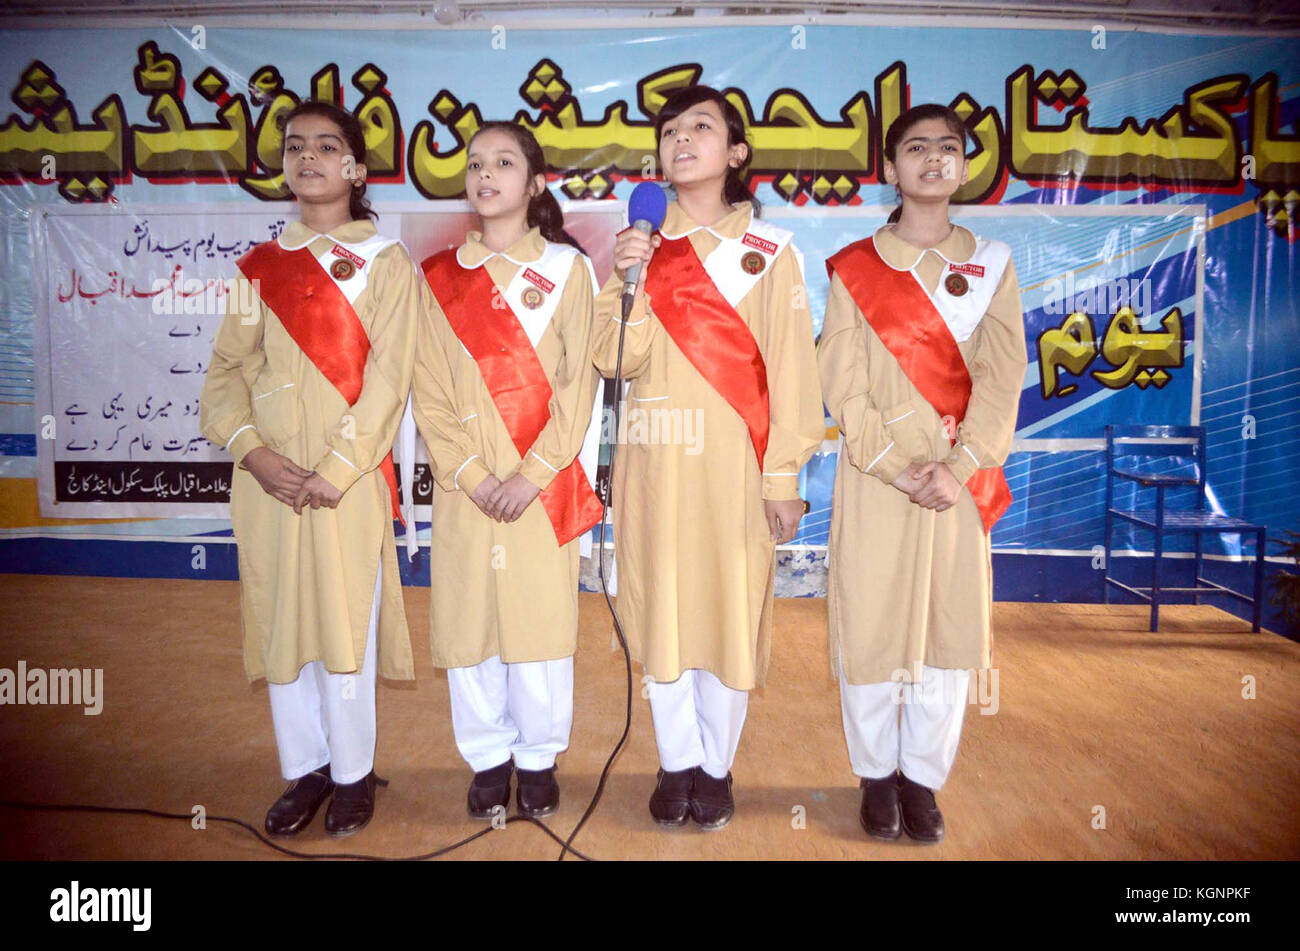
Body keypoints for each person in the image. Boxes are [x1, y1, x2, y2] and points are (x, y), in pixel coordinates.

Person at [592, 86, 824, 830]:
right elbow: (612, 358)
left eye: (701, 127)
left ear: (737, 153)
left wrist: (784, 477)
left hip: (737, 468)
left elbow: (794, 373)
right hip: (655, 466)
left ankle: (715, 766)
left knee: (727, 610)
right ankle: (674, 758)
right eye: (669, 130)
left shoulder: (770, 254)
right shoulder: (639, 249)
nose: (681, 139)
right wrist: (629, 276)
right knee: (661, 607)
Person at [199, 101, 420, 837]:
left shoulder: (387, 265)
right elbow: (225, 375)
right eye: (296, 147)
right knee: (282, 619)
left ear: (357, 169)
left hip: (344, 484)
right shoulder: (256, 267)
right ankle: (308, 768)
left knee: (344, 622)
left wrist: (337, 466)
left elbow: (390, 379)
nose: (309, 158)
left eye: (329, 147)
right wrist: (253, 454)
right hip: (268, 482)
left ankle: (354, 773)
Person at [818, 103, 1026, 843]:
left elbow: (1004, 378)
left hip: (958, 488)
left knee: (946, 630)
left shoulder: (992, 263)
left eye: (948, 148)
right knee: (870, 625)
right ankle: (876, 776)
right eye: (915, 148)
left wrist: (961, 463)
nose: (932, 159)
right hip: (879, 482)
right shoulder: (855, 267)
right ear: (890, 168)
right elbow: (841, 380)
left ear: (964, 166)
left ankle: (923, 780)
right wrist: (896, 465)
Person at [413, 122, 602, 820]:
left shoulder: (567, 271)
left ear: (536, 181)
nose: (485, 175)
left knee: (538, 625)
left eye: (503, 163)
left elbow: (579, 382)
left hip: (540, 488)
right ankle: (489, 757)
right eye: (474, 164)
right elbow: (426, 389)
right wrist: (470, 472)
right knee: (470, 623)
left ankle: (539, 756)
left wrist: (534, 473)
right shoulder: (436, 279)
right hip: (470, 489)